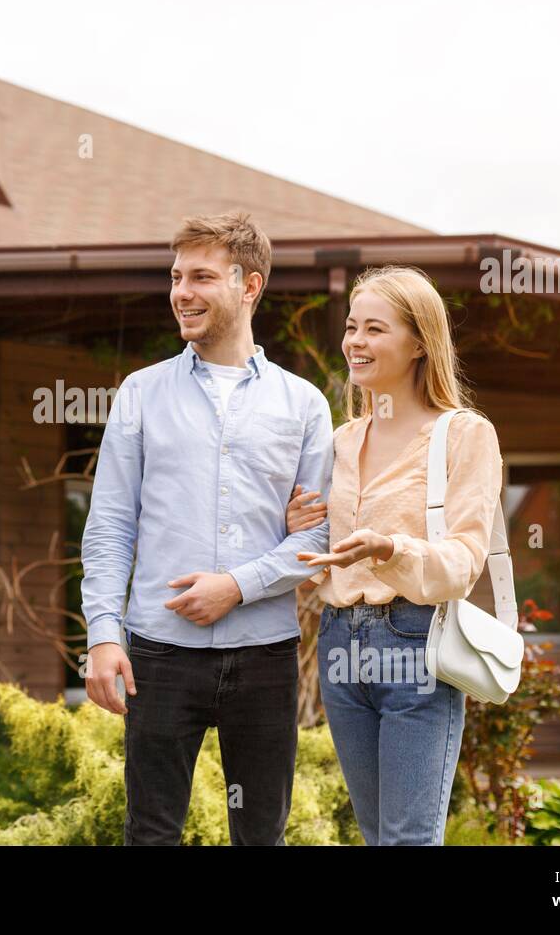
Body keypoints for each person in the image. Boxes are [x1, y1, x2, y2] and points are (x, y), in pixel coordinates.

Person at [81, 211, 332, 845]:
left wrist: (236, 586)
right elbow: (110, 524)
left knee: (260, 836)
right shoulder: (141, 392)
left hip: (265, 654)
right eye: (175, 277)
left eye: (201, 277)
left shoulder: (303, 404)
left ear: (250, 285)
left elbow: (319, 537)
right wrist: (104, 635)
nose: (181, 292)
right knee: (153, 832)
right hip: (159, 653)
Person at [289, 264, 503, 846]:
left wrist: (391, 549)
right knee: (376, 833)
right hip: (338, 645)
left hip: (415, 644)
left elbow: (463, 560)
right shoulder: (341, 440)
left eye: (375, 329)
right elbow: (314, 553)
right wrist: (298, 533)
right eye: (352, 327)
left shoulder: (462, 435)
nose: (356, 342)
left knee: (408, 838)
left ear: (418, 343)